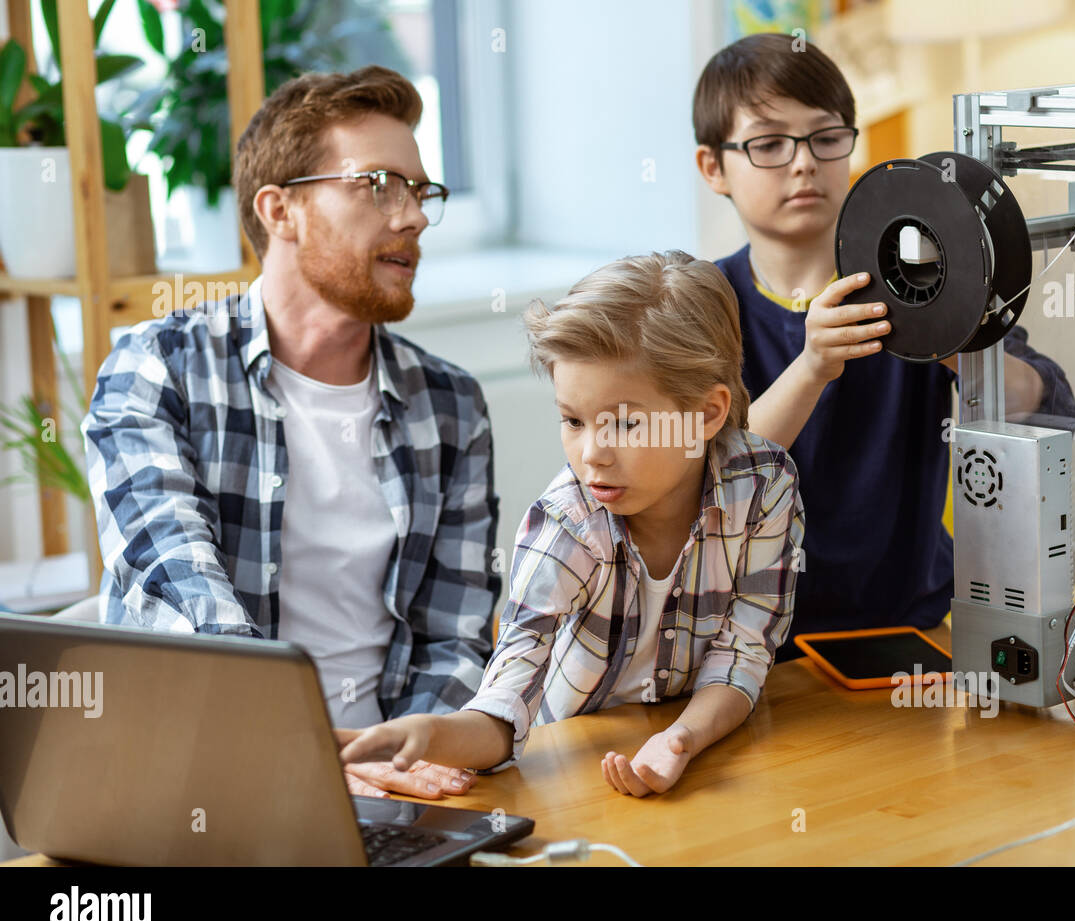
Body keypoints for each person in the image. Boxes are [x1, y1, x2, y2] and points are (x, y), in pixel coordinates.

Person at [82, 66, 498, 799]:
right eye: (379, 185)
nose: (414, 217)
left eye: (421, 191)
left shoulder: (451, 403)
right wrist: (297, 753)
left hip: (394, 785)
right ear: (280, 211)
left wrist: (406, 762)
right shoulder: (158, 369)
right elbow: (184, 591)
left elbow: (454, 634)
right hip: (202, 776)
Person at [337, 251, 805, 797]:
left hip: (706, 753)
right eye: (573, 421)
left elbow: (744, 653)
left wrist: (682, 739)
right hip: (573, 772)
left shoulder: (765, 486)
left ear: (705, 415)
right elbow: (502, 709)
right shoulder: (565, 525)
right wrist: (429, 732)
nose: (592, 456)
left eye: (625, 423)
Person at [693, 34, 1075, 657]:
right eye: (768, 144)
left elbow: (1052, 406)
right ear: (713, 167)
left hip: (912, 632)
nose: (803, 164)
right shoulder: (701, 303)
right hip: (742, 653)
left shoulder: (922, 283)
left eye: (825, 137)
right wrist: (813, 365)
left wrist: (960, 343)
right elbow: (707, 477)